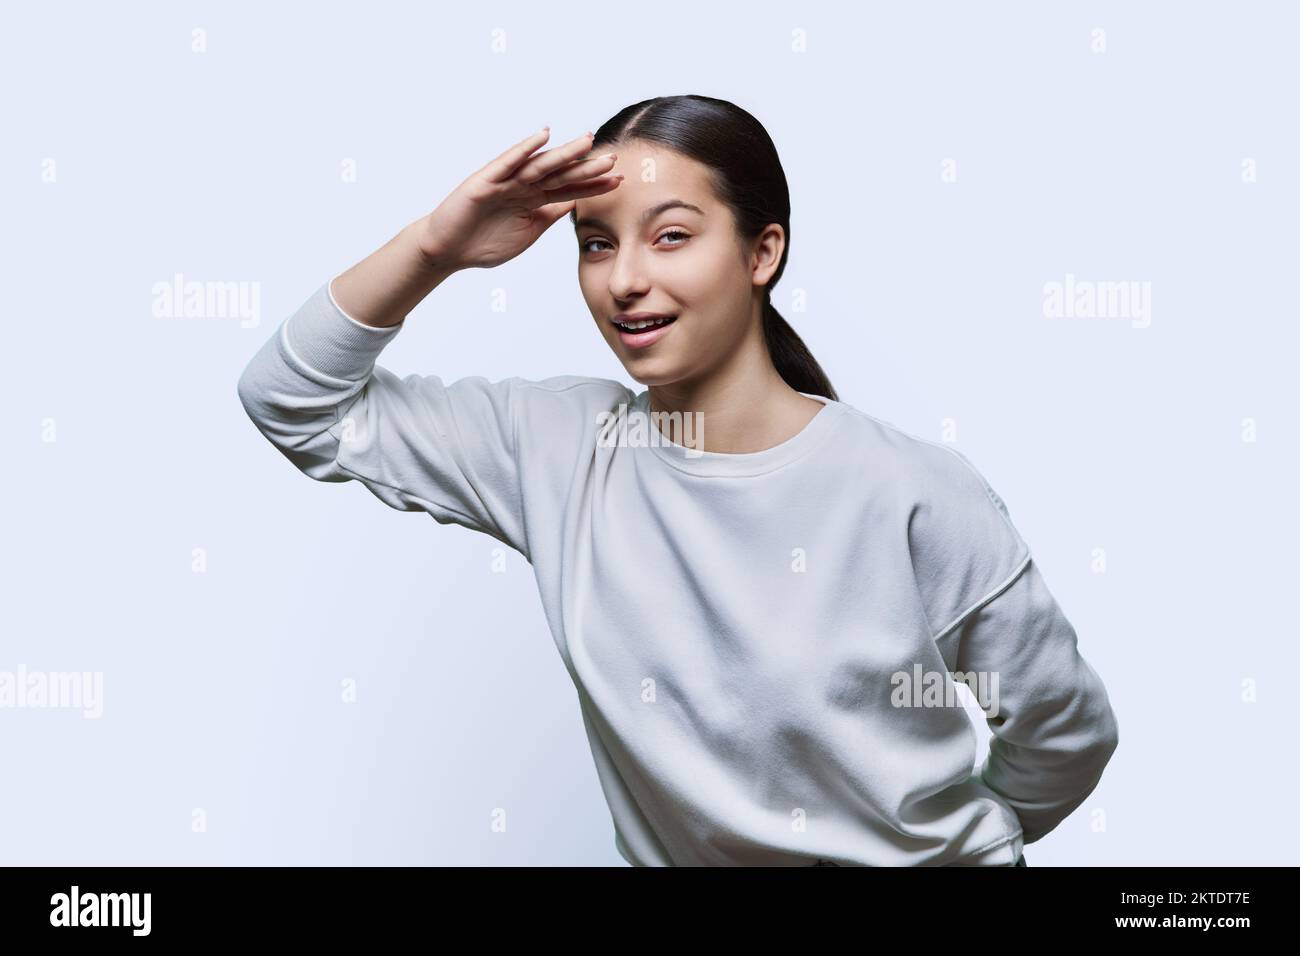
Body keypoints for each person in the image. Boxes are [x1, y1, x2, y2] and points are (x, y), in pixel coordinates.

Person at [237, 94, 1119, 866]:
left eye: (670, 236)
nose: (624, 280)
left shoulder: (911, 490)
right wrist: (437, 247)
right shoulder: (557, 449)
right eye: (595, 244)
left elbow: (1062, 732)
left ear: (762, 252)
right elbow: (292, 402)